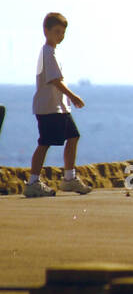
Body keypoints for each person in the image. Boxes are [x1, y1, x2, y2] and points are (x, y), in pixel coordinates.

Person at [25, 12, 91, 197]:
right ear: (46, 31)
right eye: (56, 32)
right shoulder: (47, 52)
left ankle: (69, 178)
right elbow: (55, 80)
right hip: (48, 108)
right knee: (45, 143)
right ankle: (33, 182)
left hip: (59, 107)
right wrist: (74, 96)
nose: (60, 36)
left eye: (63, 32)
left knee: (73, 136)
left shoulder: (53, 52)